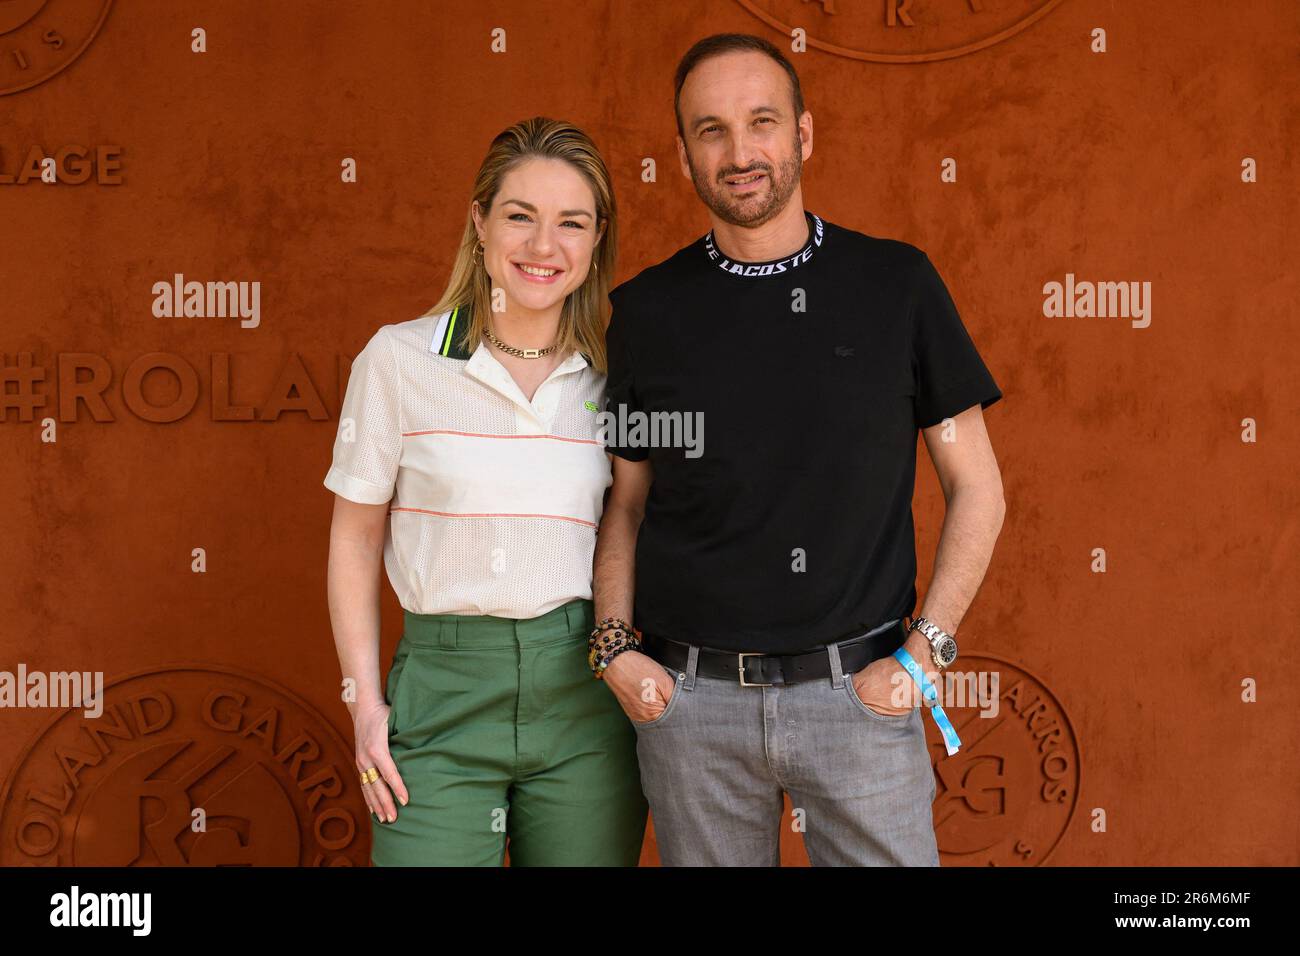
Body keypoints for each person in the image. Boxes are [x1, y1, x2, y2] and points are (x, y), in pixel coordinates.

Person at [590, 34, 1007, 866]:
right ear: (683, 153)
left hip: (860, 698)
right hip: (691, 707)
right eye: (711, 130)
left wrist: (925, 654)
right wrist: (614, 651)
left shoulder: (897, 286)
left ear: (803, 134)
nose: (740, 153)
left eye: (762, 122)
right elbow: (627, 504)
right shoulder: (646, 312)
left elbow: (979, 489)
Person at [325, 116, 647, 866]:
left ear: (597, 238)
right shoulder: (399, 359)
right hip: (442, 689)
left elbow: (636, 521)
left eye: (572, 222)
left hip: (586, 691)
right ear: (479, 222)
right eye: (520, 216)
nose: (544, 246)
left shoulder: (618, 377)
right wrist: (364, 705)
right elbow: (354, 538)